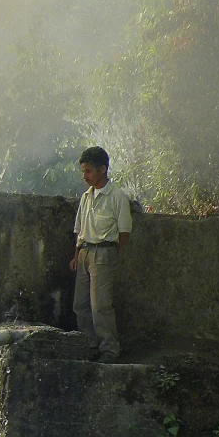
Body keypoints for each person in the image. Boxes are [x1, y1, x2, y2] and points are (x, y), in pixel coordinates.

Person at [70, 146, 132, 364]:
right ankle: (89, 345)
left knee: (100, 305)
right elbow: (79, 229)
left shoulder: (117, 197)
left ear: (102, 169)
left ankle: (109, 349)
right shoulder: (86, 197)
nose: (84, 176)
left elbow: (124, 231)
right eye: (84, 171)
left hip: (104, 252)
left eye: (88, 171)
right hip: (85, 252)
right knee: (81, 304)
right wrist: (77, 255)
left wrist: (113, 254)